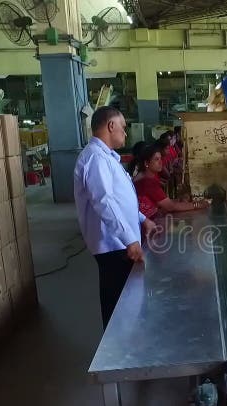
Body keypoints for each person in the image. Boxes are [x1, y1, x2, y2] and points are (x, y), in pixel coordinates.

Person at [74, 106, 156, 328]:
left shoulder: (106, 157)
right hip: (112, 245)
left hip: (119, 242)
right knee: (118, 305)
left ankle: (126, 340)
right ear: (111, 126)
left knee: (126, 300)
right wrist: (130, 240)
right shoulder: (95, 158)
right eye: (123, 127)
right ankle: (116, 346)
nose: (125, 133)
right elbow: (105, 202)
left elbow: (120, 200)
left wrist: (142, 219)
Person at [133, 144, 209, 214]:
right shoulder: (148, 182)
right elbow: (170, 207)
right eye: (156, 159)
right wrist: (198, 204)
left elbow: (162, 202)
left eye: (160, 159)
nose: (160, 162)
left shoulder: (146, 177)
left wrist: (179, 200)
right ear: (146, 163)